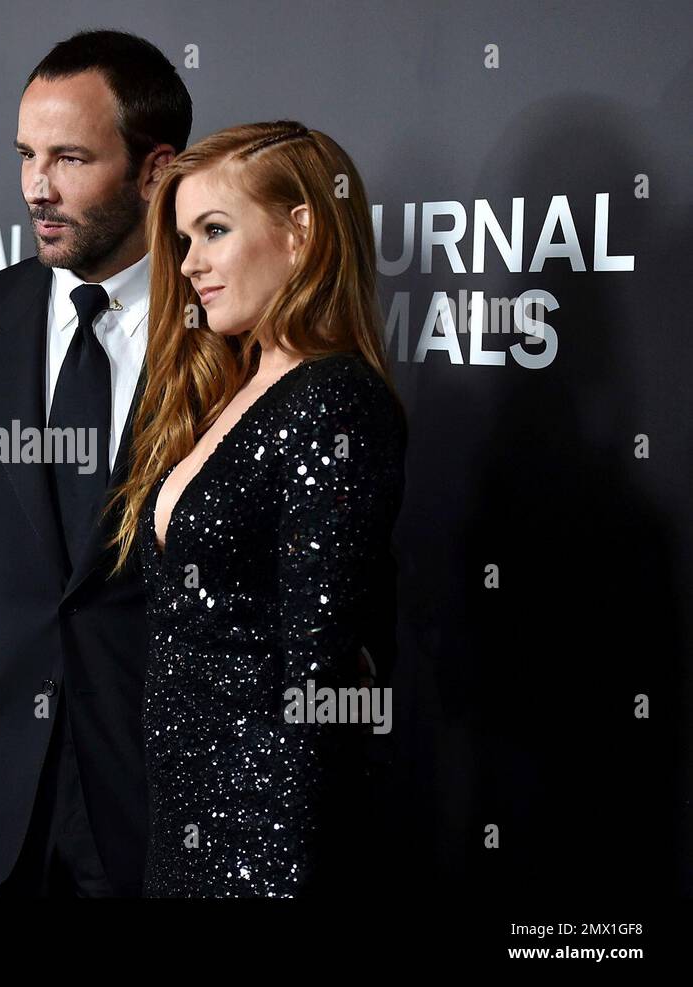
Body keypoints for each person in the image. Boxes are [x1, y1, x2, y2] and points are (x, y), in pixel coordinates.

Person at [0, 30, 191, 897]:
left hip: (156, 783)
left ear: (155, 169)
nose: (36, 187)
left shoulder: (218, 333)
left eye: (71, 158)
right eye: (25, 155)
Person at [107, 121, 408, 897]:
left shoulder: (334, 401)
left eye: (214, 230)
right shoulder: (227, 393)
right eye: (182, 238)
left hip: (270, 839)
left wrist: (284, 869)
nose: (190, 263)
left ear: (301, 231)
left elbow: (323, 679)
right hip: (184, 820)